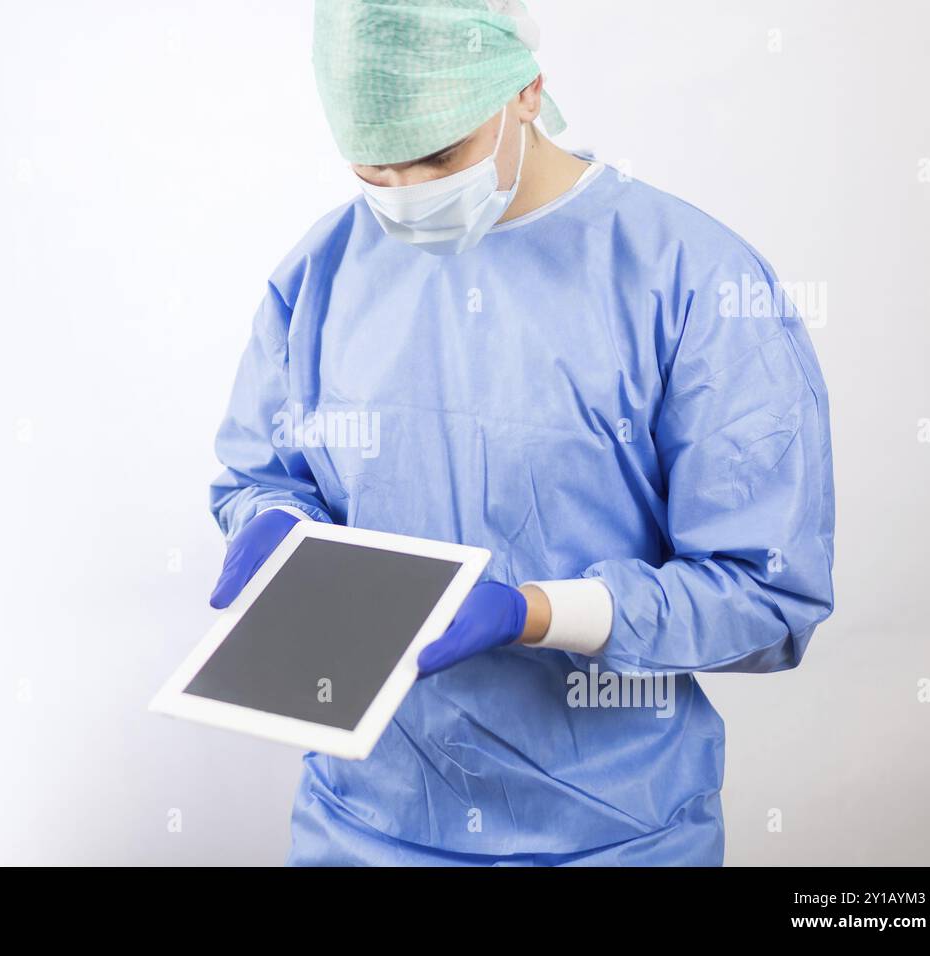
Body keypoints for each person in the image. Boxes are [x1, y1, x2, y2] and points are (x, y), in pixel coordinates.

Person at [208, 0, 834, 866]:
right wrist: (272, 522)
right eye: (375, 166)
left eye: (440, 156)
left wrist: (534, 613)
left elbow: (767, 596)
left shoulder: (690, 280)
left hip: (612, 832)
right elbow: (263, 474)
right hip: (363, 819)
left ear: (527, 91)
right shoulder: (324, 272)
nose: (407, 193)